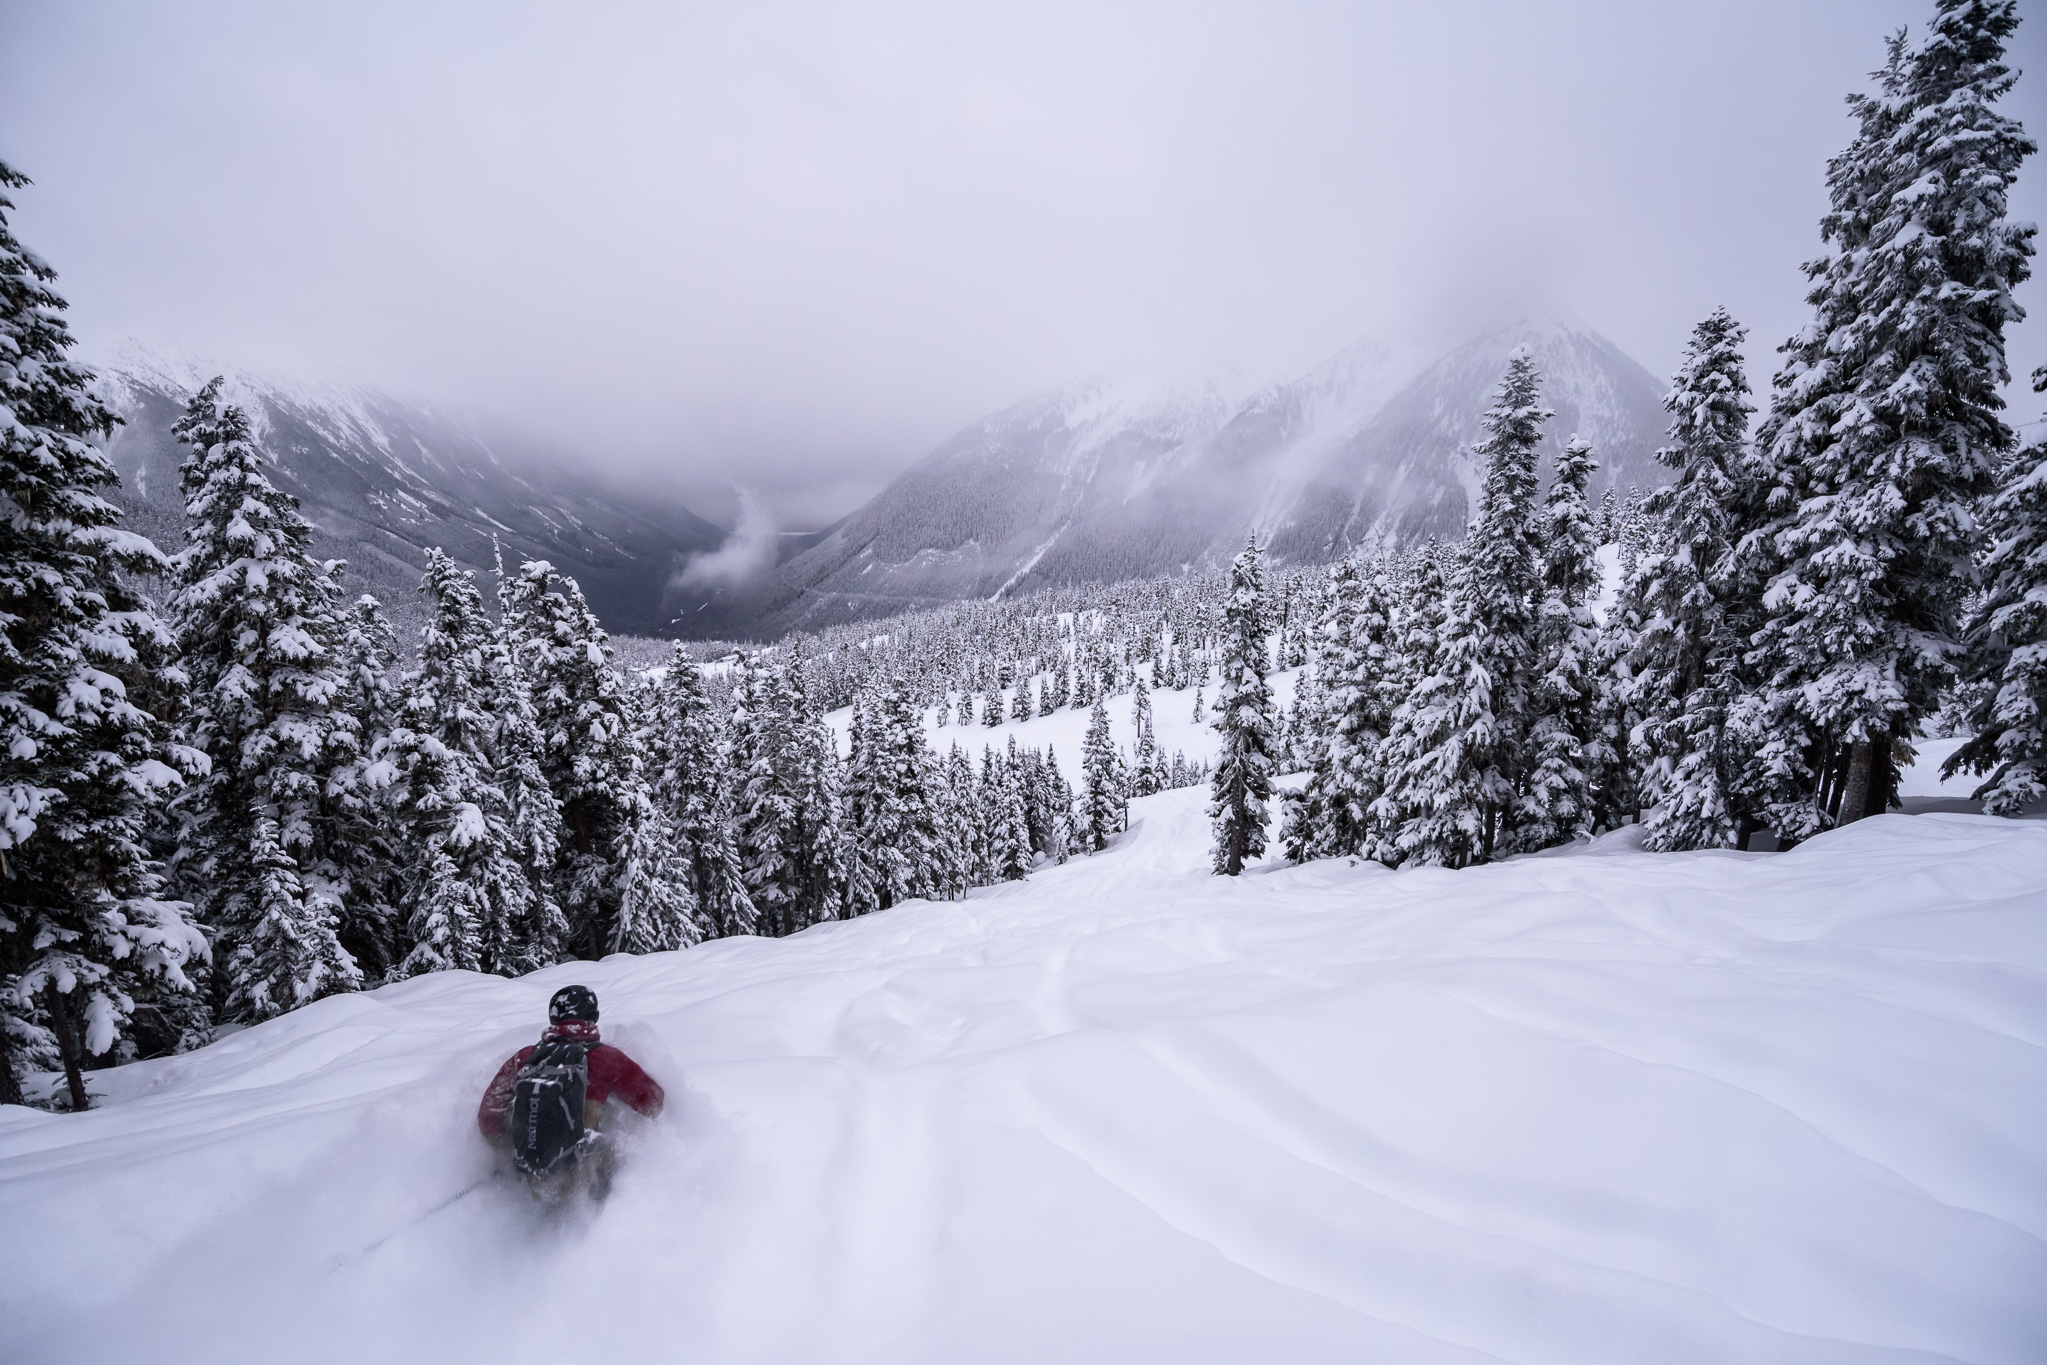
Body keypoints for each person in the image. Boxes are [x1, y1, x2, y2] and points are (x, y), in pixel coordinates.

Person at [478, 985, 664, 1199]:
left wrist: (514, 1150)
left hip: (534, 1178)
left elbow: (488, 1115)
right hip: (586, 1176)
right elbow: (653, 1102)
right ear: (592, 1017)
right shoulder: (606, 1057)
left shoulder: (526, 1057)